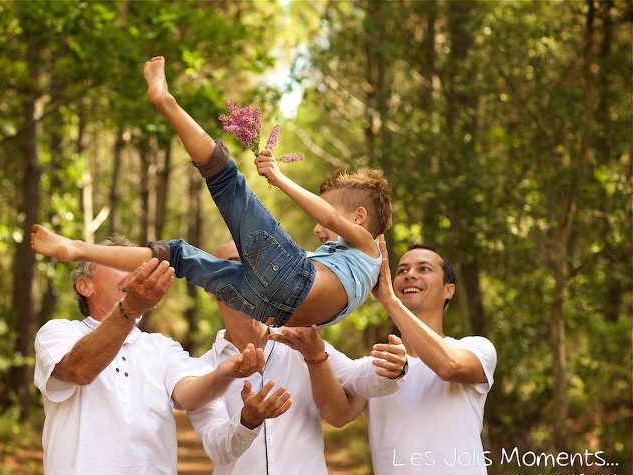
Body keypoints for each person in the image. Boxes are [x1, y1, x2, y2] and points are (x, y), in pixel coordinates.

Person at [30, 55, 392, 329]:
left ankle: (165, 100)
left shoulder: (364, 244)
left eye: (327, 222)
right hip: (272, 312)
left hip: (291, 284)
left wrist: (280, 179)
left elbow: (327, 216)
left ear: (359, 218)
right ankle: (74, 248)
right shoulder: (363, 273)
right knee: (178, 256)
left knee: (225, 178)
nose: (318, 228)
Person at [33, 235, 268, 475]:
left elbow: (190, 396)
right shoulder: (59, 333)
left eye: (137, 264)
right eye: (119, 264)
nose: (135, 272)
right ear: (85, 285)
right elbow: (79, 370)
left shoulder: (160, 347)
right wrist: (130, 308)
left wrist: (224, 374)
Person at [187, 240, 407, 475]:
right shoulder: (203, 370)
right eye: (234, 264)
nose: (247, 274)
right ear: (211, 284)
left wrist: (392, 366)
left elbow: (358, 377)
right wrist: (248, 420)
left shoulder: (301, 344)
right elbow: (218, 448)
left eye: (255, 267)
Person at [357, 235, 500, 475]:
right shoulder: (377, 365)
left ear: (449, 290)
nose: (410, 275)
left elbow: (448, 367)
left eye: (423, 269)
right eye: (402, 270)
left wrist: (390, 303)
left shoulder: (476, 348)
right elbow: (337, 415)